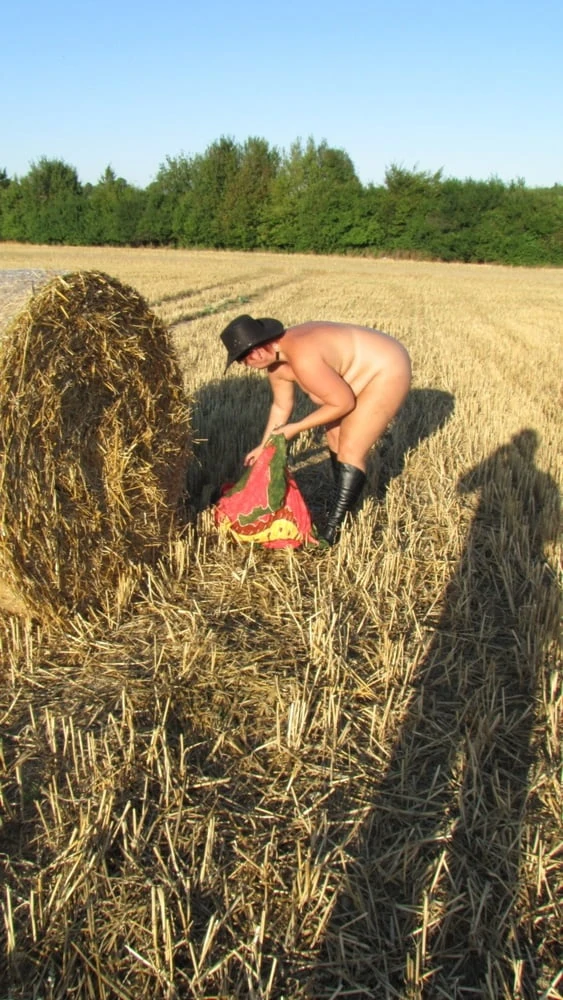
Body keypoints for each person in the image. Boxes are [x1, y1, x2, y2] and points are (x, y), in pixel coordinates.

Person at [220, 314, 412, 544]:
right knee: (334, 435)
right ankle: (339, 496)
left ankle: (334, 528)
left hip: (386, 366)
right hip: (357, 370)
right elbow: (281, 407)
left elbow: (343, 403)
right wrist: (263, 446)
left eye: (248, 356)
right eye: (244, 358)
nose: (250, 361)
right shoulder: (277, 366)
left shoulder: (302, 356)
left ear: (261, 347)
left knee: (351, 448)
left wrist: (297, 428)